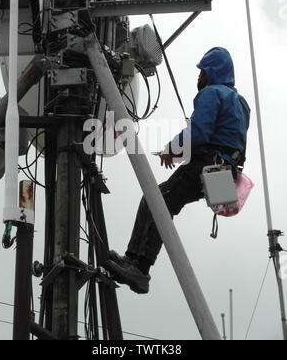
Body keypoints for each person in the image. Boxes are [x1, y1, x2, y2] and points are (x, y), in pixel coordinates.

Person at [104, 47, 251, 294]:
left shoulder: (211, 94)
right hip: (225, 172)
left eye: (203, 71)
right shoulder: (240, 102)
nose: (200, 76)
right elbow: (226, 137)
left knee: (156, 200)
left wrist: (171, 149)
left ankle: (139, 268)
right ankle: (134, 261)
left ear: (212, 71)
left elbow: (201, 132)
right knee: (160, 200)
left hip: (205, 166)